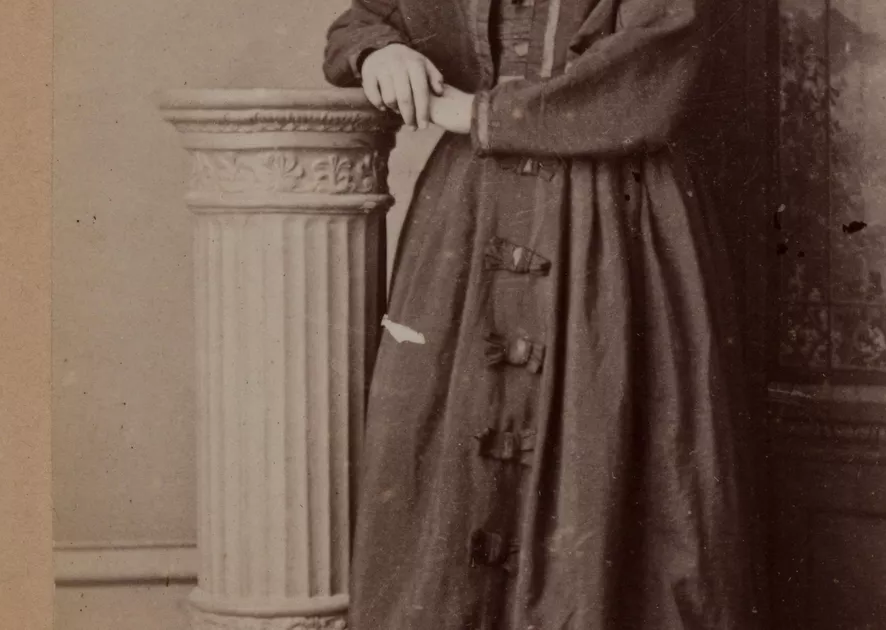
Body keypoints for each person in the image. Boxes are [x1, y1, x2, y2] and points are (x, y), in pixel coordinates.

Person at [323, 0, 766, 627]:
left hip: (613, 224)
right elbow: (359, 21)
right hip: (471, 220)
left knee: (608, 464)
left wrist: (480, 113)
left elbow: (659, 60)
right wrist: (380, 50)